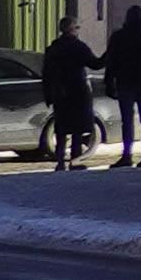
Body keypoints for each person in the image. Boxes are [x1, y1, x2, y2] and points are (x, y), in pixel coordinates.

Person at [98, 4, 141, 167]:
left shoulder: (119, 37)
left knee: (127, 120)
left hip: (125, 81)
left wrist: (108, 82)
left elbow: (111, 62)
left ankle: (127, 155)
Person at [36, 21, 96, 169]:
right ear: (71, 29)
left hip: (60, 93)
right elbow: (95, 64)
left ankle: (60, 160)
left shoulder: (54, 48)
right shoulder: (79, 47)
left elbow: (47, 73)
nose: (78, 30)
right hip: (78, 91)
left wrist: (49, 93)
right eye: (76, 27)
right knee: (77, 129)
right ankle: (75, 160)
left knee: (61, 127)